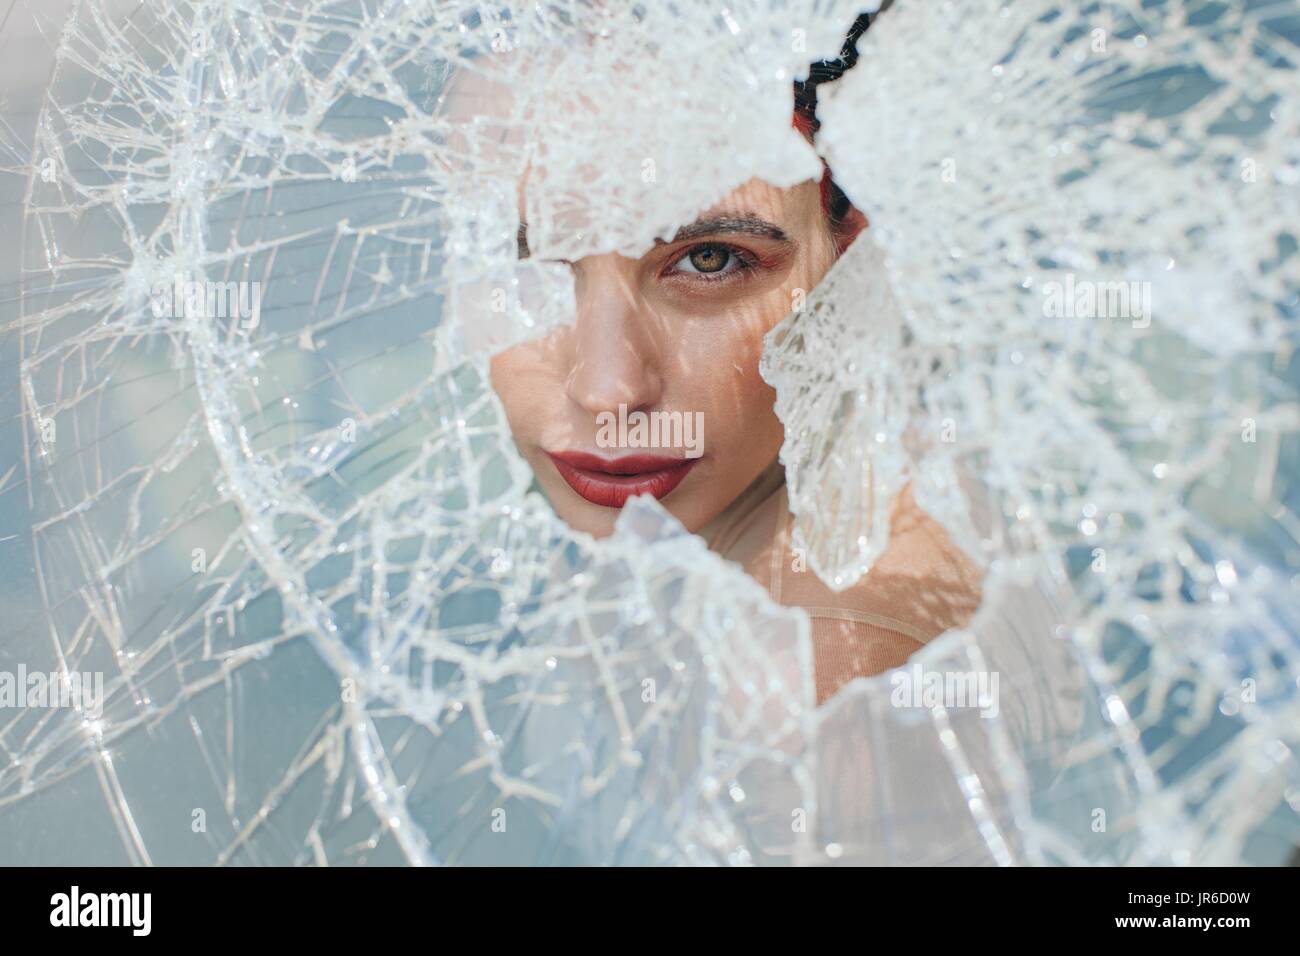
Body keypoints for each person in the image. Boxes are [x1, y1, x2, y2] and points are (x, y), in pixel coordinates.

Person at [488, 12, 983, 704]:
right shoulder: (739, 546)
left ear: (853, 253)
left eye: (709, 260)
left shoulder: (823, 678)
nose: (605, 390)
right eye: (524, 262)